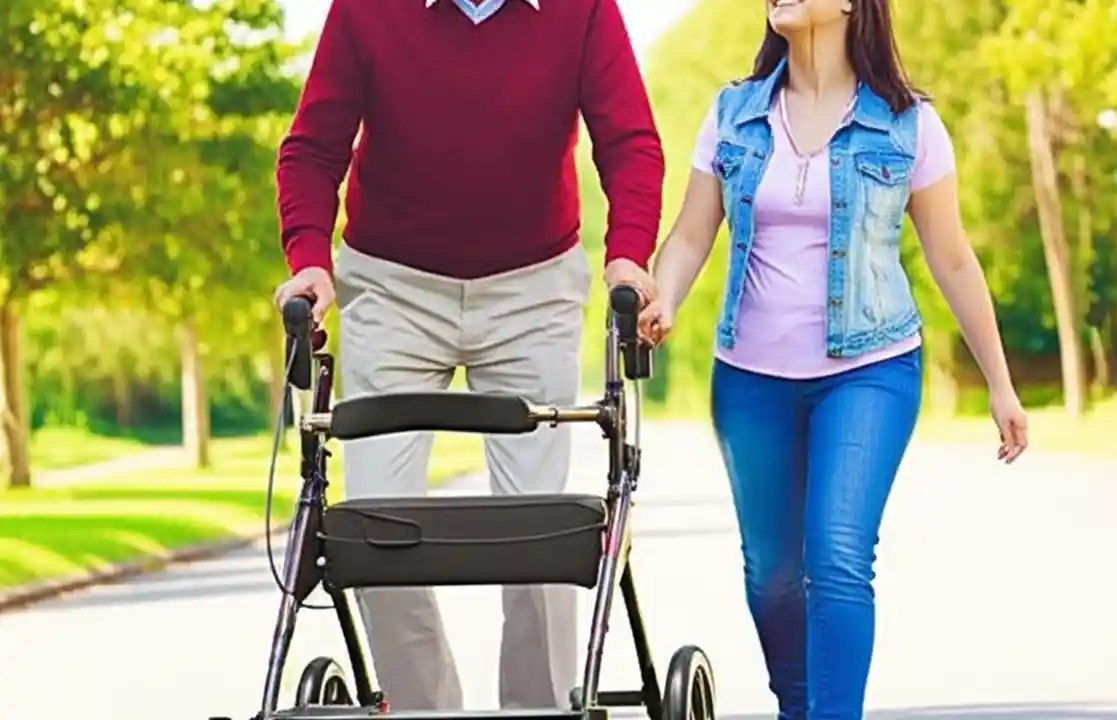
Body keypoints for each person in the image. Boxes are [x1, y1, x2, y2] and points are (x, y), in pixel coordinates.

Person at [637, 0, 1029, 717]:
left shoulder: (908, 124)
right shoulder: (733, 114)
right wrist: (664, 297)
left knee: (838, 556)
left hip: (870, 370)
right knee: (773, 577)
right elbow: (692, 233)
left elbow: (953, 259)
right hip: (751, 377)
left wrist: (1001, 385)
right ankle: (799, 707)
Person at [270, 0, 663, 711]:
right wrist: (311, 260)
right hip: (392, 287)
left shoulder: (581, 11)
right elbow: (312, 148)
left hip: (532, 288)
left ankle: (536, 709)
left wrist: (628, 259)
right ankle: (426, 709)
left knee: (540, 528)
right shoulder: (365, 9)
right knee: (373, 526)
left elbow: (630, 141)